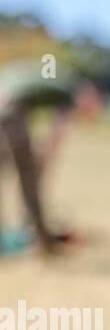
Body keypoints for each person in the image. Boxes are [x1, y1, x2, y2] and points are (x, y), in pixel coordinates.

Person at [0, 59, 100, 255]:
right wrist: (43, 164)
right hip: (9, 111)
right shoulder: (67, 91)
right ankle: (42, 240)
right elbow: (56, 136)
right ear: (88, 94)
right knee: (29, 178)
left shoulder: (54, 75)